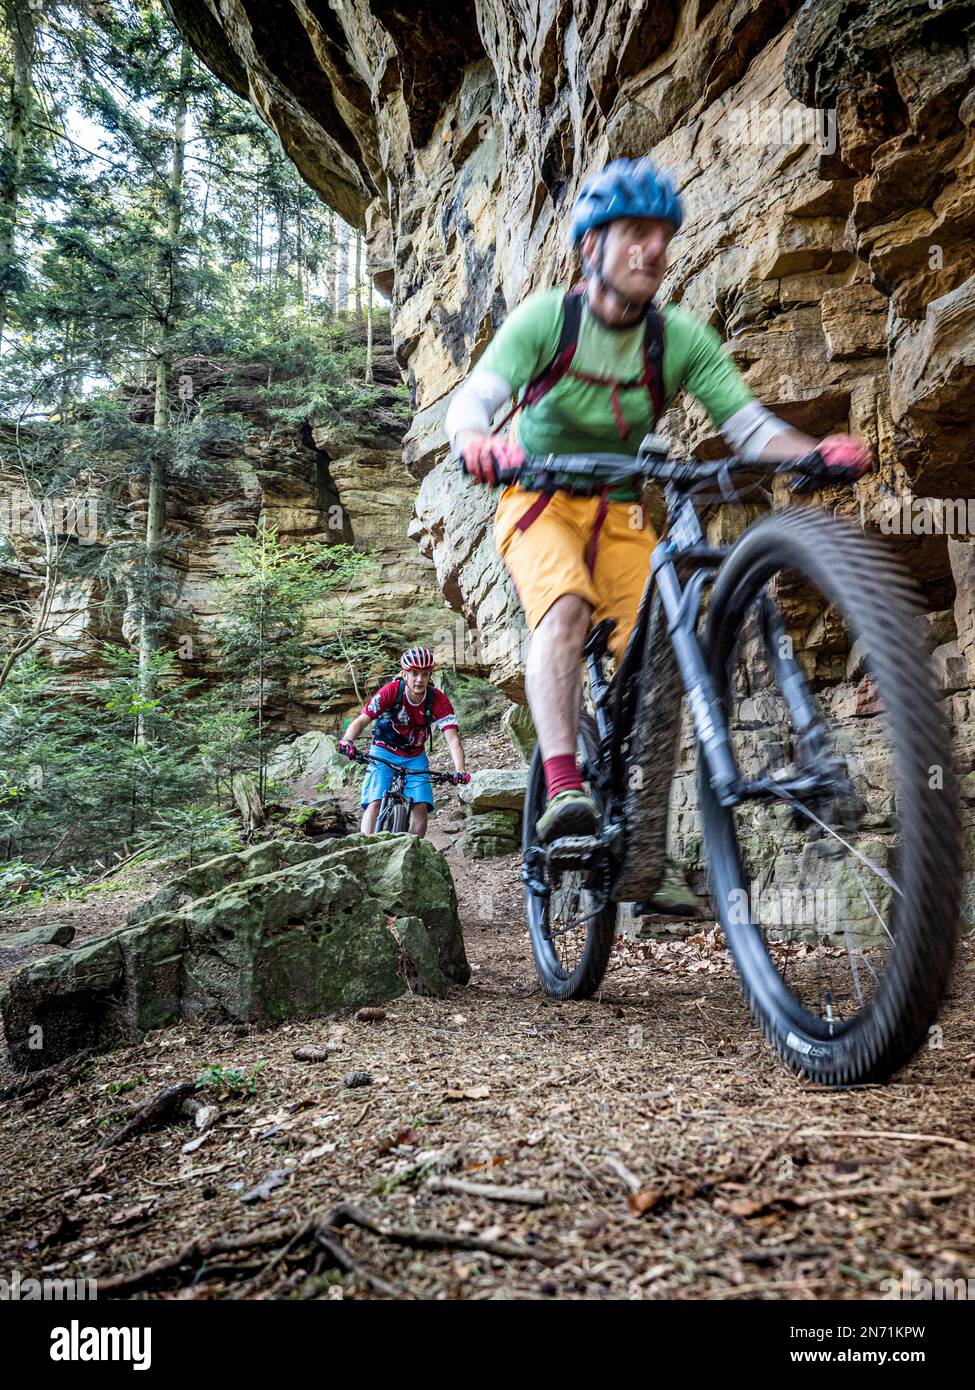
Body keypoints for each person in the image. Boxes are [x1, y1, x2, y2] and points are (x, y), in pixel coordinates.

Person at [445, 157, 871, 847]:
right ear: (591, 246)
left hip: (622, 512)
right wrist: (476, 441)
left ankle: (645, 844)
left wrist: (809, 452)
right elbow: (475, 400)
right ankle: (561, 788)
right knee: (563, 609)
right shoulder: (546, 321)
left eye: (663, 236)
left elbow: (749, 427)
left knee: (669, 656)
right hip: (538, 501)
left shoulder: (678, 339)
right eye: (635, 232)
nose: (654, 249)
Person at [337, 646, 469, 837]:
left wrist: (460, 770)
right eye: (414, 673)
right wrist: (347, 740)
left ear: (430, 675)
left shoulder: (438, 700)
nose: (419, 679)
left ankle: (413, 852)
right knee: (374, 801)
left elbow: (453, 739)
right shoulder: (391, 691)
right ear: (404, 673)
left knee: (420, 807)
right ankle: (364, 845)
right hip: (383, 750)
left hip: (414, 755)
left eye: (425, 674)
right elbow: (362, 720)